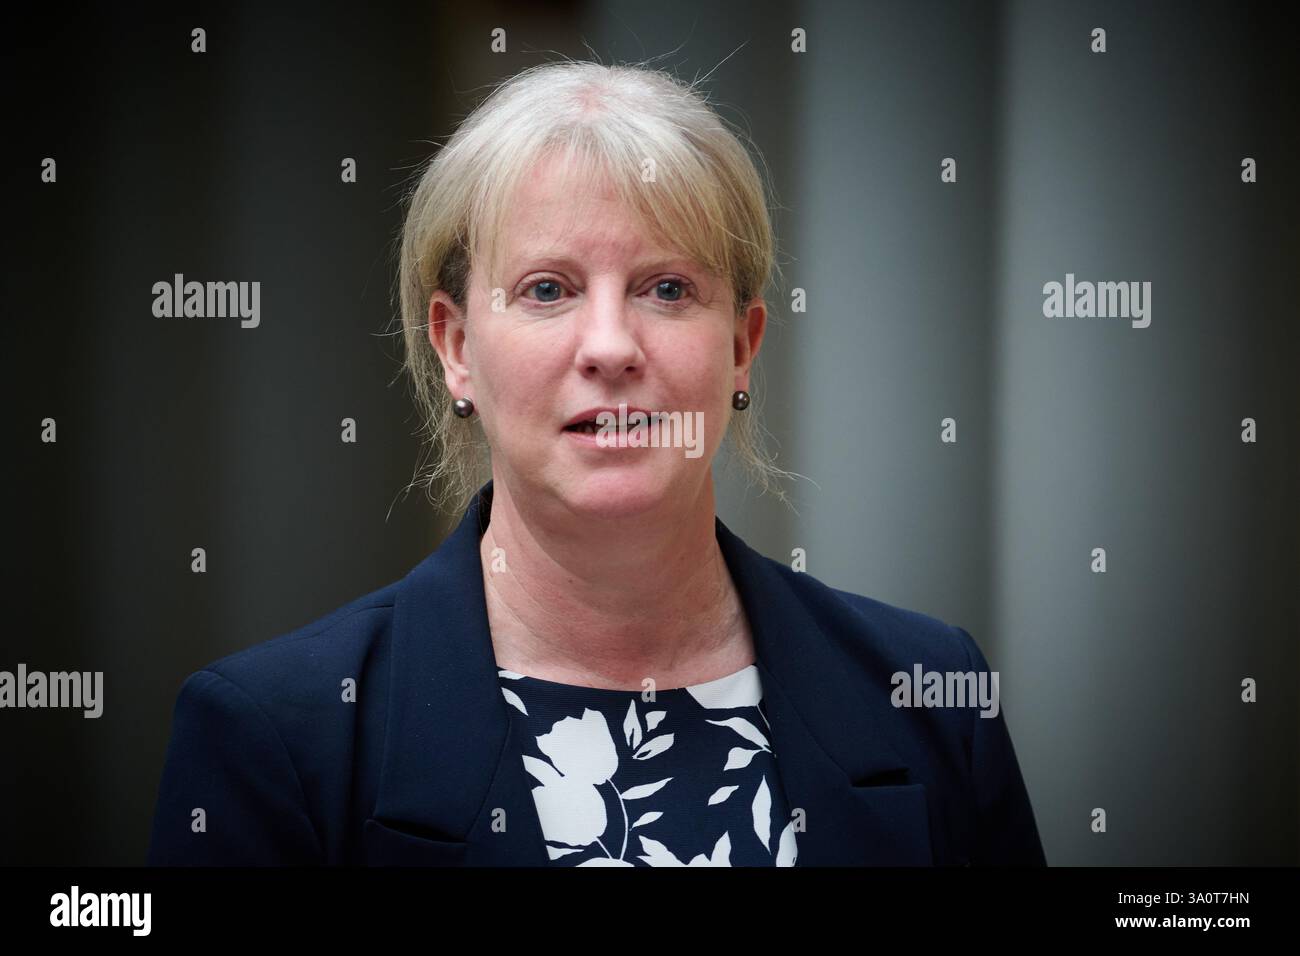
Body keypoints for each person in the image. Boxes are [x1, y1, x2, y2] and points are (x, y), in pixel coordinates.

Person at [148, 59, 1046, 867]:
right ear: (456, 346)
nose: (611, 346)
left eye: (667, 289)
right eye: (548, 290)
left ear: (741, 346)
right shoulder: (274, 736)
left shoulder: (931, 694)